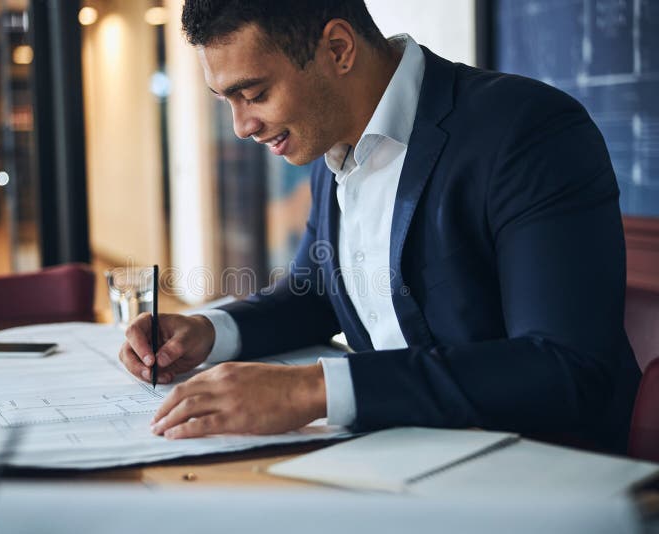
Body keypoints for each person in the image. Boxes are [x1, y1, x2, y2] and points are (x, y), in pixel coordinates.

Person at [119, 0, 641, 452]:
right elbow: (316, 293)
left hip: (544, 464)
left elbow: (564, 366)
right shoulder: (327, 140)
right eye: (227, 101)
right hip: (400, 451)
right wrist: (207, 331)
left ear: (338, 49)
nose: (241, 126)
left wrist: (312, 390)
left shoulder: (528, 130)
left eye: (254, 94)